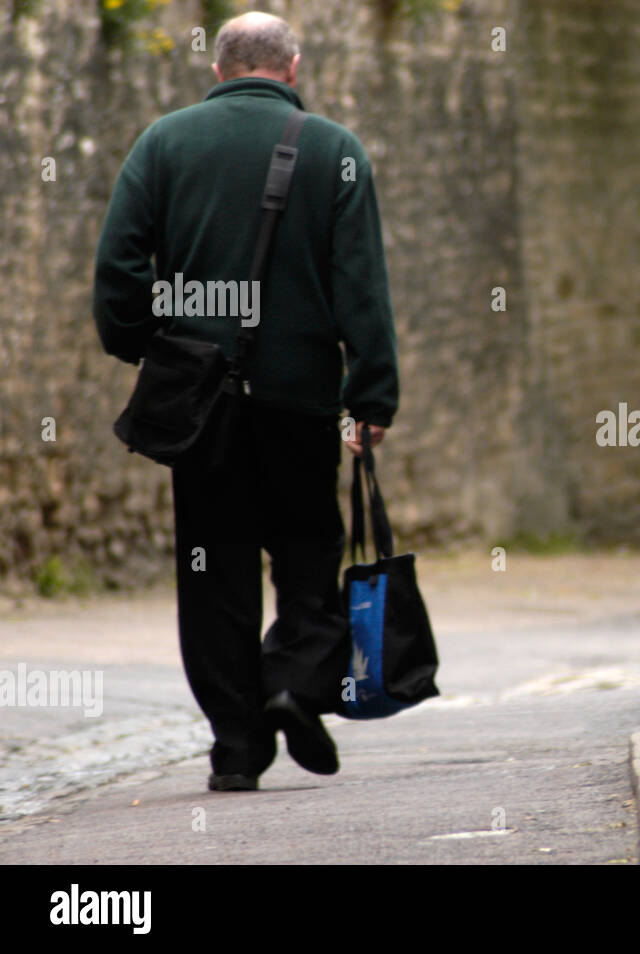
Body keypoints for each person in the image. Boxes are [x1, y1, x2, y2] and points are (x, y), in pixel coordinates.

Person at [93, 12, 399, 789]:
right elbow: (361, 286)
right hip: (298, 398)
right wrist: (371, 395)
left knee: (213, 569)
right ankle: (292, 679)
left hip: (199, 404)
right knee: (307, 553)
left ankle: (236, 749)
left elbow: (120, 268)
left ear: (220, 66)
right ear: (291, 68)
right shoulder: (336, 150)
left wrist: (145, 343)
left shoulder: (164, 142)